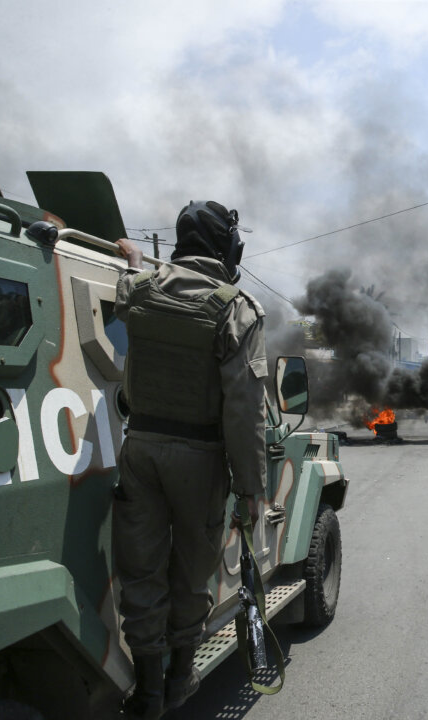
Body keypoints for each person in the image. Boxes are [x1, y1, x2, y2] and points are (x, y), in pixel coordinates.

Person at [112, 201, 268, 719]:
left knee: (141, 569)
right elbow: (245, 412)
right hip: (199, 458)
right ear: (228, 248)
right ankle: (181, 677)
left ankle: (149, 692)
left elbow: (126, 295)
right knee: (190, 572)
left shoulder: (141, 288)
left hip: (140, 449)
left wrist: (134, 261)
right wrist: (251, 490)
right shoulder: (234, 307)